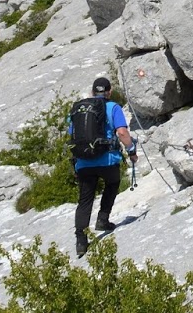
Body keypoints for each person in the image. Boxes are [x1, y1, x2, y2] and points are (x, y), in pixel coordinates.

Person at [71, 76, 134, 258]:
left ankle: (81, 241)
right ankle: (103, 219)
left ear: (92, 92)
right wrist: (131, 150)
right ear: (109, 92)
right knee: (112, 183)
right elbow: (122, 132)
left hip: (83, 161)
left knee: (85, 200)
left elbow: (73, 134)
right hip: (107, 160)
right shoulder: (113, 107)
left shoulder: (79, 109)